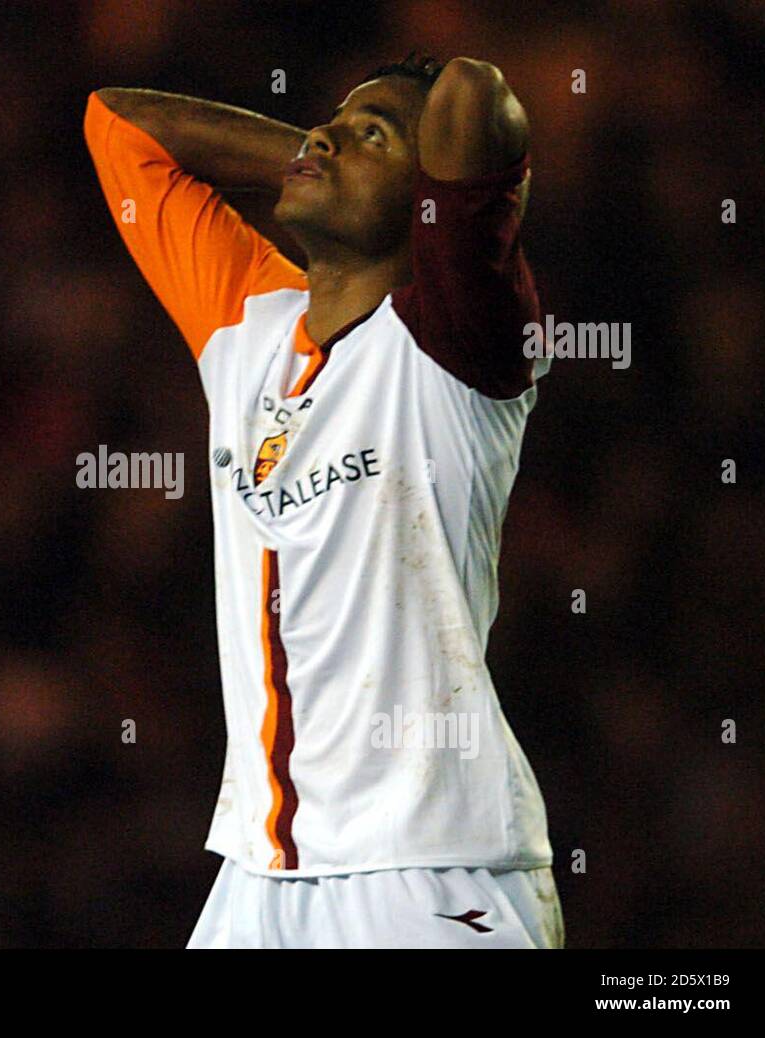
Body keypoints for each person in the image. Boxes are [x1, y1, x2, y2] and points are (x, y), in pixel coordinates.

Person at [84, 52, 562, 948]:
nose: (326, 134)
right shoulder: (249, 316)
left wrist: (393, 181)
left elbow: (474, 93)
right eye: (327, 122)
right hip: (261, 874)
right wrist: (322, 156)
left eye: (369, 132)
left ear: (428, 204)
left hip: (429, 870)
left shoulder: (457, 340)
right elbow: (120, 127)